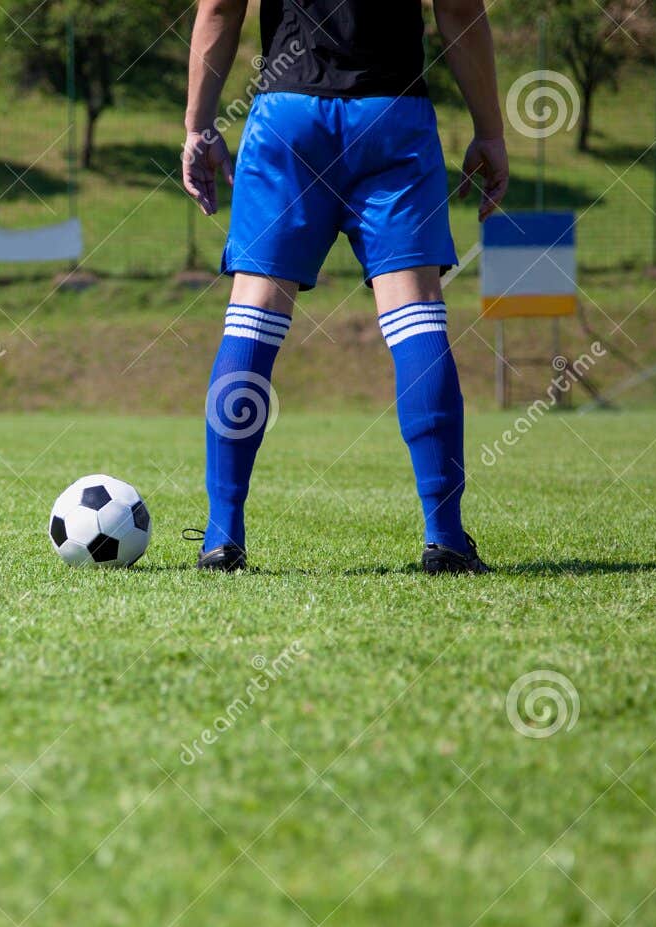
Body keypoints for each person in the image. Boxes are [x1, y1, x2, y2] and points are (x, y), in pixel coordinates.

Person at [181, 0, 508, 573]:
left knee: (253, 315)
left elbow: (219, 8)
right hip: (392, 112)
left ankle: (221, 537)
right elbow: (458, 8)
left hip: (288, 114)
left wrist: (198, 126)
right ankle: (447, 539)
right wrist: (489, 130)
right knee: (415, 316)